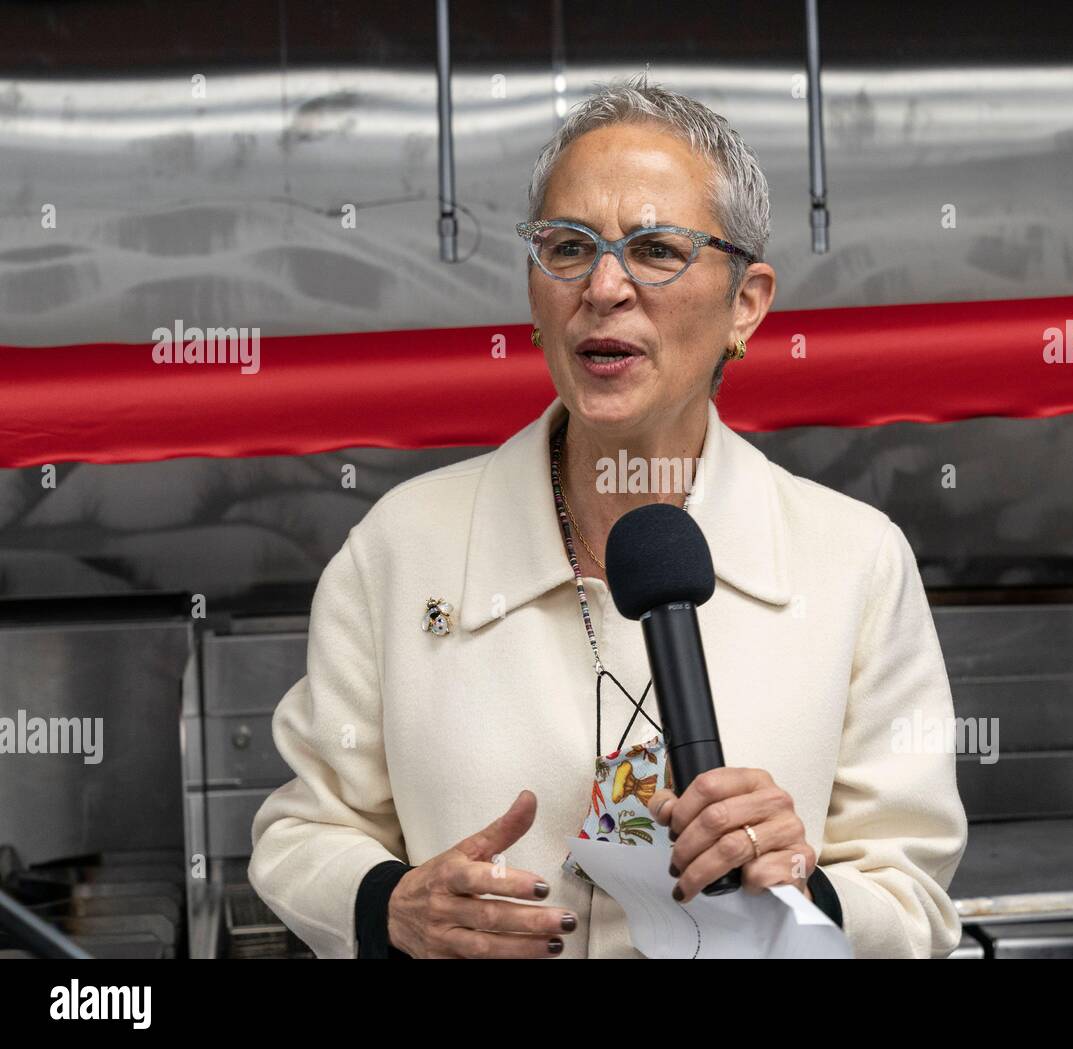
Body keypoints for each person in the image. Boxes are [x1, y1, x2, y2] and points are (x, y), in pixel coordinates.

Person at [249, 73, 967, 959]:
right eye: (568, 245)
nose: (605, 286)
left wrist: (803, 885)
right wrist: (390, 907)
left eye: (657, 249)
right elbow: (301, 831)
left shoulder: (854, 562)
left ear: (746, 304)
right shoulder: (402, 547)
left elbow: (915, 898)